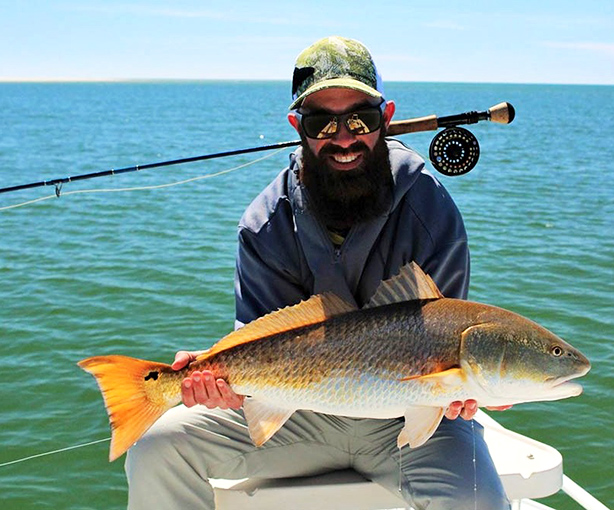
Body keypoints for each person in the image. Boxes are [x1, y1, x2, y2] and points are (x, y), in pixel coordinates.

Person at [125, 36, 509, 510]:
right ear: (297, 126)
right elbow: (261, 341)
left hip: (411, 420)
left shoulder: (433, 212)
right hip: (300, 417)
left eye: (359, 120)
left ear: (385, 117)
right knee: (157, 448)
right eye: (321, 122)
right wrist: (219, 378)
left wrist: (465, 392)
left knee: (479, 502)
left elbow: (449, 333)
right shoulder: (264, 223)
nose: (343, 138)